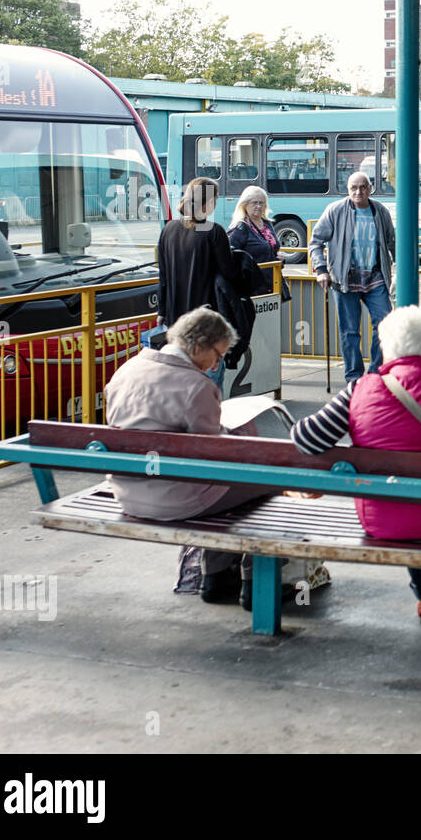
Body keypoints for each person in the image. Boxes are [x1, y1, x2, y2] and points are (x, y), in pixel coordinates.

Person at [291, 306, 421, 631]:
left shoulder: (359, 390)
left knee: (403, 495)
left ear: (388, 347)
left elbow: (306, 439)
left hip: (383, 520)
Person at [105, 307, 275, 608]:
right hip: (174, 499)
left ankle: (217, 577)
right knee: (267, 482)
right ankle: (254, 583)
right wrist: (240, 437)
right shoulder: (197, 386)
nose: (216, 364)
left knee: (235, 484)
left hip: (127, 492)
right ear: (197, 345)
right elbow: (213, 455)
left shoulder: (126, 370)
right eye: (218, 354)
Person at [309, 172, 396, 384]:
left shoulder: (379, 210)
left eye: (363, 187)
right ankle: (354, 378)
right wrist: (321, 269)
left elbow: (393, 241)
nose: (358, 192)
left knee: (385, 325)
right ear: (347, 190)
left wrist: (399, 270)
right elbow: (315, 242)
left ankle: (375, 374)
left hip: (375, 277)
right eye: (353, 188)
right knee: (350, 332)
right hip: (345, 280)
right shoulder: (335, 210)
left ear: (370, 188)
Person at [157, 177, 239, 389]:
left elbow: (163, 277)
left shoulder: (168, 230)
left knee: (179, 383)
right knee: (210, 384)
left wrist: (161, 312)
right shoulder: (214, 231)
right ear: (209, 202)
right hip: (207, 321)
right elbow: (229, 273)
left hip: (176, 322)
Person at [228, 185, 281, 294]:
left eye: (261, 203)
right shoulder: (239, 227)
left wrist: (279, 258)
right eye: (254, 203)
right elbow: (230, 255)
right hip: (252, 287)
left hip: (272, 283)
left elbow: (270, 249)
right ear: (245, 204)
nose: (258, 206)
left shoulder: (267, 223)